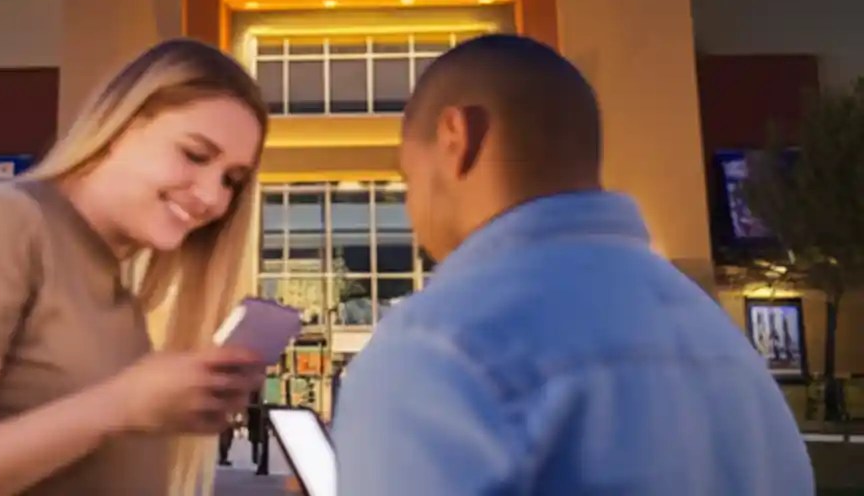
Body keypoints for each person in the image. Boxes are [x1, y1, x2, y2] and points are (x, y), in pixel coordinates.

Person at [333, 34, 814, 494]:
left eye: (408, 176)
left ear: (457, 137)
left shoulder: (437, 348)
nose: (411, 207)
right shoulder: (728, 348)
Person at [0, 38, 269, 495]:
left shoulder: (117, 297)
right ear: (121, 124)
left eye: (231, 180)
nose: (210, 196)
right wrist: (120, 406)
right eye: (195, 155)